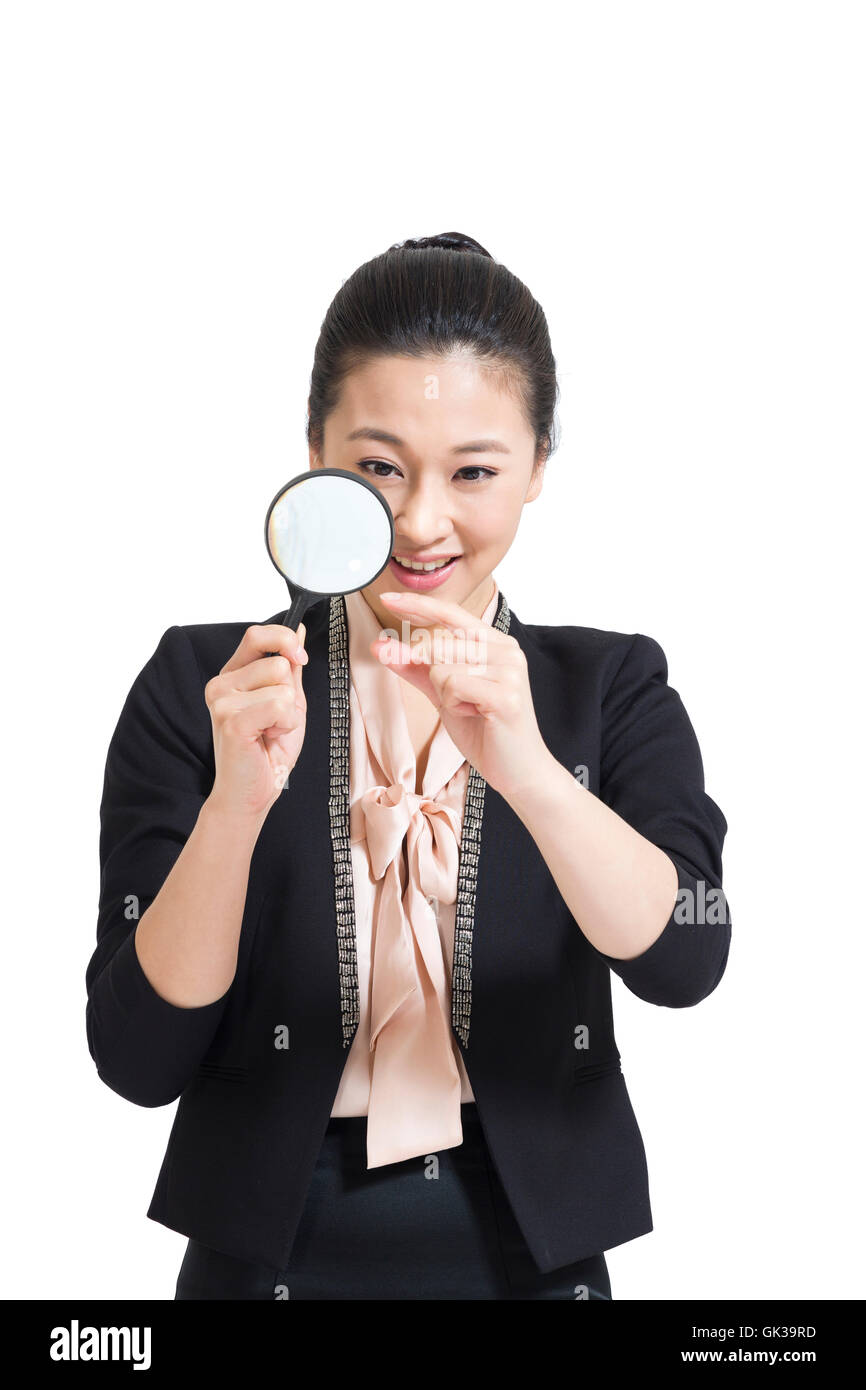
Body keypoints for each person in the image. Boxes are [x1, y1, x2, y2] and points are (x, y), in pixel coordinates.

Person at [86, 231, 730, 1300]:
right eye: (376, 468)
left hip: (536, 1252)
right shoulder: (205, 682)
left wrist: (525, 768)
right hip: (264, 1255)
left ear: (535, 471)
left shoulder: (608, 684)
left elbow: (685, 958)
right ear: (311, 451)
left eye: (473, 470)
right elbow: (135, 1054)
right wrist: (237, 805)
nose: (420, 523)